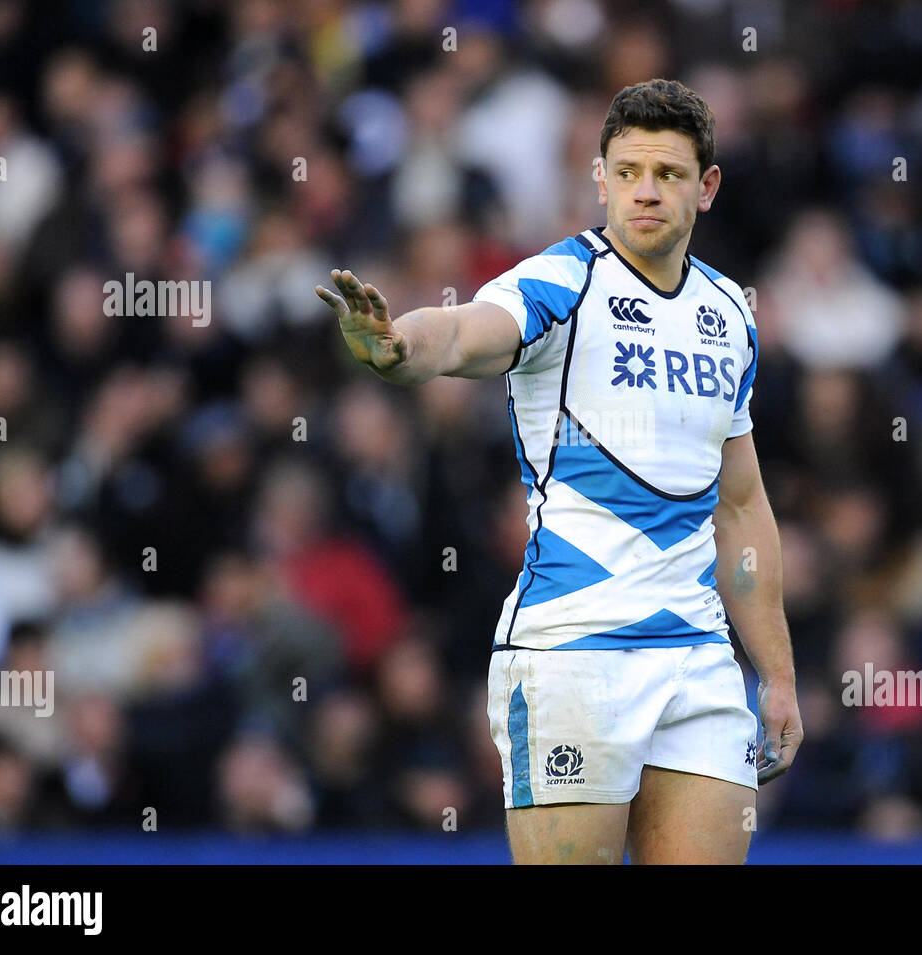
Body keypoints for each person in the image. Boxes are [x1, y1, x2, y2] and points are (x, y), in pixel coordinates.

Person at [315, 78, 802, 864]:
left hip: (699, 661)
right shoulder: (559, 281)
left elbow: (742, 505)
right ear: (600, 178)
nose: (647, 191)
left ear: (706, 187)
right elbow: (463, 333)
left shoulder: (730, 314)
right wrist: (399, 347)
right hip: (571, 652)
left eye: (670, 174)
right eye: (629, 171)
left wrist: (776, 674)